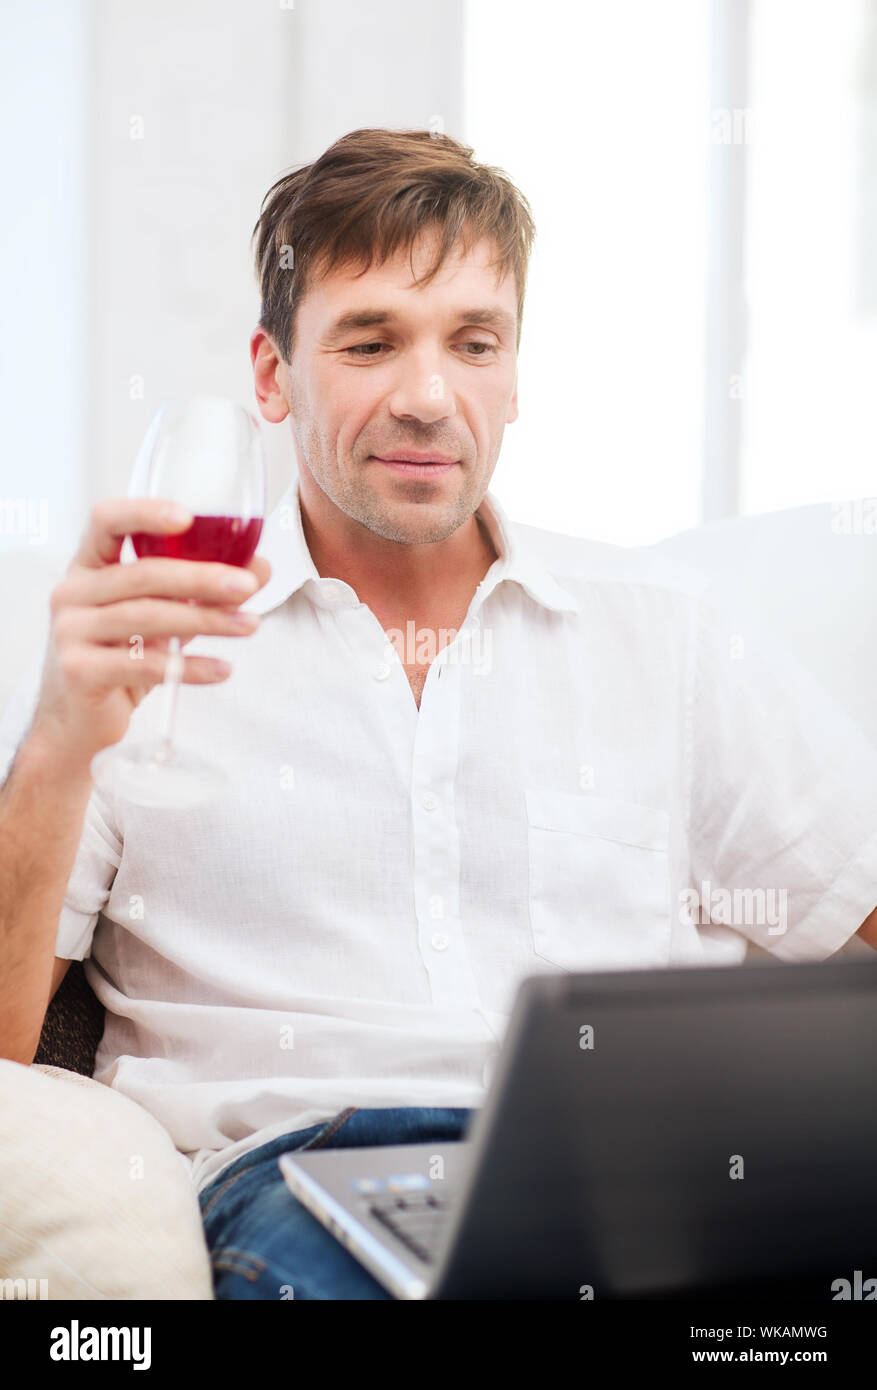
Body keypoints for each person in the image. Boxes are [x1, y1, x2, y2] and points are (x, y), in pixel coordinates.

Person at [2, 128, 877, 1301]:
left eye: (473, 343)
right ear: (271, 375)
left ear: (512, 375)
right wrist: (60, 745)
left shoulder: (666, 634)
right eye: (370, 342)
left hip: (636, 1186)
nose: (427, 397)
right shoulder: (141, 642)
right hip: (305, 1180)